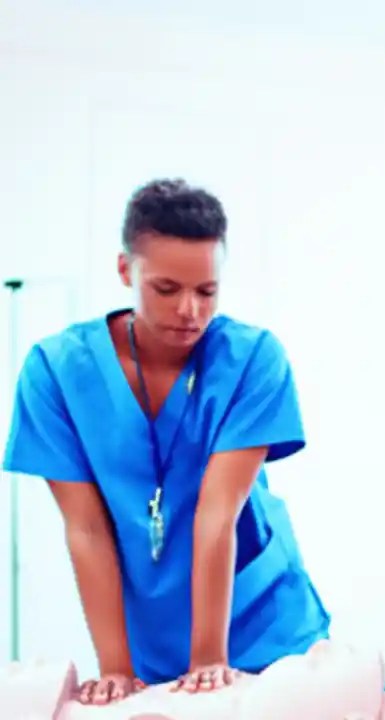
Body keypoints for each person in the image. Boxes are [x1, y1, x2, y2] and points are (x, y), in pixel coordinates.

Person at [2, 179, 331, 705]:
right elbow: (85, 528)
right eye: (166, 288)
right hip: (151, 638)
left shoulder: (253, 359)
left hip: (268, 625)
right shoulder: (56, 370)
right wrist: (115, 667)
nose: (189, 311)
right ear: (124, 270)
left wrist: (208, 661)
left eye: (207, 291)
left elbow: (217, 513)